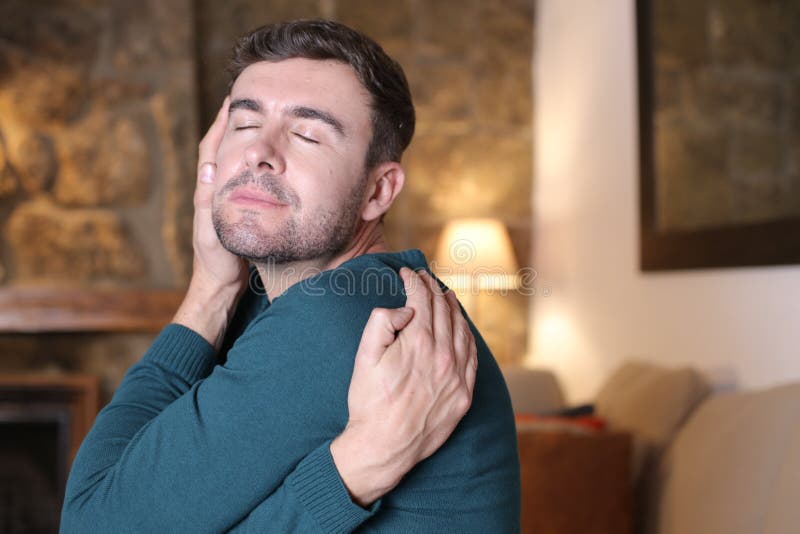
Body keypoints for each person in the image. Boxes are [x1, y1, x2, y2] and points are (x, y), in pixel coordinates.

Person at [60, 19, 520, 533]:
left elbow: (91, 524)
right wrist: (215, 287)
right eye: (245, 124)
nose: (259, 152)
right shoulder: (280, 300)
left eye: (306, 134)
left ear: (379, 191)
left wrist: (206, 293)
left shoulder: (341, 317)